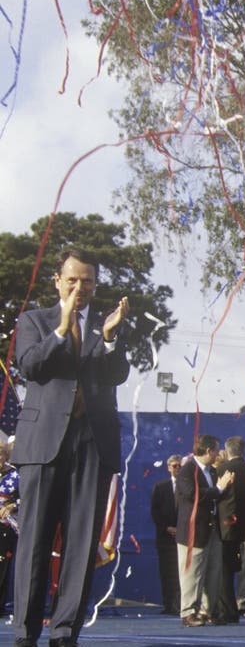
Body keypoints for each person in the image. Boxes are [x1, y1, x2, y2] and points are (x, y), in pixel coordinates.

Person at [11, 246, 130, 647]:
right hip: (43, 445)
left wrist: (111, 338)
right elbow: (30, 367)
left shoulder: (105, 324)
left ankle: (64, 633)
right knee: (34, 543)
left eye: (88, 281)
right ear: (58, 281)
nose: (81, 287)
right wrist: (62, 328)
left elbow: (117, 374)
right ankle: (26, 633)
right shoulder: (34, 320)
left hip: (91, 445)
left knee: (81, 546)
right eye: (73, 280)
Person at [175, 434, 235, 627]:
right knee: (192, 573)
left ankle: (208, 610)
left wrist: (224, 488)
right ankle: (188, 612)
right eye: (216, 450)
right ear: (208, 451)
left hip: (211, 529)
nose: (218, 454)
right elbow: (194, 495)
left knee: (213, 571)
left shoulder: (211, 471)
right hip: (194, 530)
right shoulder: (187, 470)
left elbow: (215, 495)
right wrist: (218, 489)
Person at [216, 436, 245, 624]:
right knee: (236, 567)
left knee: (224, 569)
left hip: (225, 525)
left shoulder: (222, 469)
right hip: (243, 525)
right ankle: (234, 607)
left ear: (227, 450)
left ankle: (227, 610)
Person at [151, 455, 182, 615]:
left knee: (181, 572)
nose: (177, 469)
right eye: (174, 466)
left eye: (179, 466)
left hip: (183, 536)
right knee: (167, 572)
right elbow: (155, 511)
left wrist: (181, 528)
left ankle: (180, 604)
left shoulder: (187, 486)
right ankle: (168, 604)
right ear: (169, 467)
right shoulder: (160, 487)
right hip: (165, 537)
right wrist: (166, 528)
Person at [0, 440, 19, 616]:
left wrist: (13, 504)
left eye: (1, 454)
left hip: (6, 528)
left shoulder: (15, 475)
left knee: (1, 565)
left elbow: (26, 497)